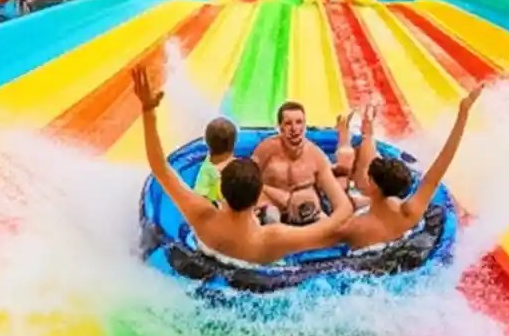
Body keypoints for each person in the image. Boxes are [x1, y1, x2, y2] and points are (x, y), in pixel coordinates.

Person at [132, 66, 349, 265]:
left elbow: (159, 167)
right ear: (257, 198)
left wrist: (148, 110)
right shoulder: (272, 239)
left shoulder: (202, 215)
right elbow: (334, 224)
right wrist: (343, 200)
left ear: (222, 191)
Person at [340, 85, 483, 250]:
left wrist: (343, 141)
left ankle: (367, 135)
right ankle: (368, 134)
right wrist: (463, 114)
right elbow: (439, 169)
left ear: (372, 184)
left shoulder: (356, 227)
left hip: (366, 249)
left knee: (351, 176)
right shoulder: (410, 213)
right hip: (395, 244)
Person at [252, 100, 355, 226]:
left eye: (299, 122)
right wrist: (282, 197)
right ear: (280, 128)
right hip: (273, 211)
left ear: (305, 126)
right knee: (270, 216)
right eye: (288, 123)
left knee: (341, 184)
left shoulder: (315, 156)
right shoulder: (266, 151)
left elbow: (342, 204)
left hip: (306, 213)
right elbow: (246, 181)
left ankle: (344, 137)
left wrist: (331, 226)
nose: (295, 129)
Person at [193, 117, 237, 204]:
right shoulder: (207, 172)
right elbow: (200, 198)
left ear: (206, 142)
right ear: (234, 143)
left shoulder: (207, 169)